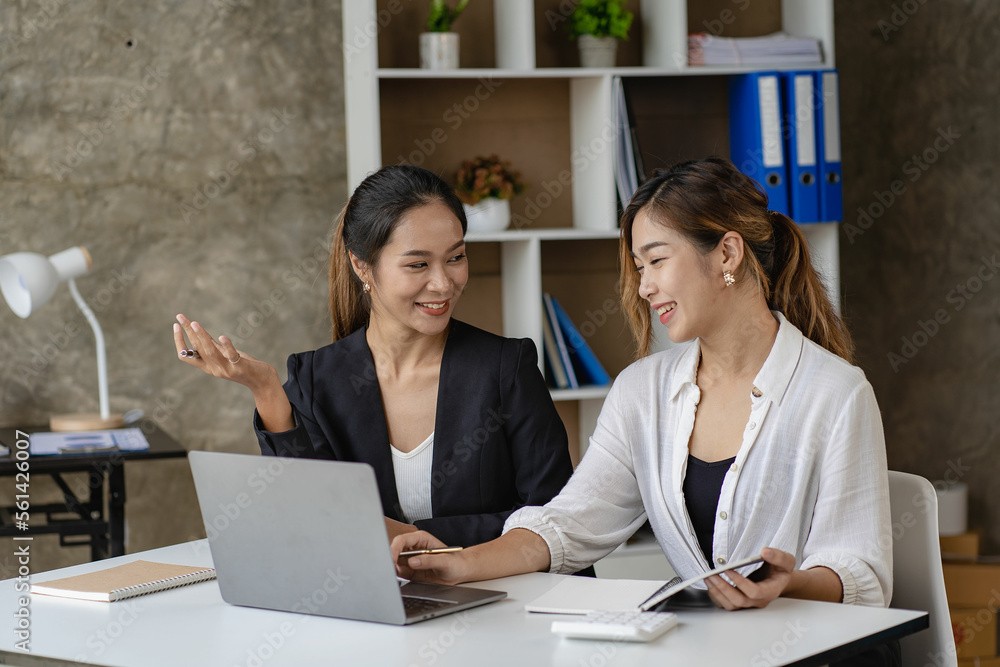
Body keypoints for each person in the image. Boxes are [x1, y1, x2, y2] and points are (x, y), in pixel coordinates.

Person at [391, 158, 893, 616]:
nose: (644, 286)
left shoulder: (836, 393)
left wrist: (788, 584)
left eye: (657, 261)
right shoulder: (641, 392)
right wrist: (461, 564)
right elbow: (570, 525)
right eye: (638, 267)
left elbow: (862, 575)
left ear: (728, 254)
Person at [172, 164, 577, 549]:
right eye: (418, 264)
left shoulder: (506, 368)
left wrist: (406, 534)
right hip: (369, 609)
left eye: (456, 257)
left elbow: (553, 519)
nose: (443, 283)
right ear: (362, 267)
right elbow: (306, 516)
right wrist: (265, 390)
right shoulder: (317, 377)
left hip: (501, 601)